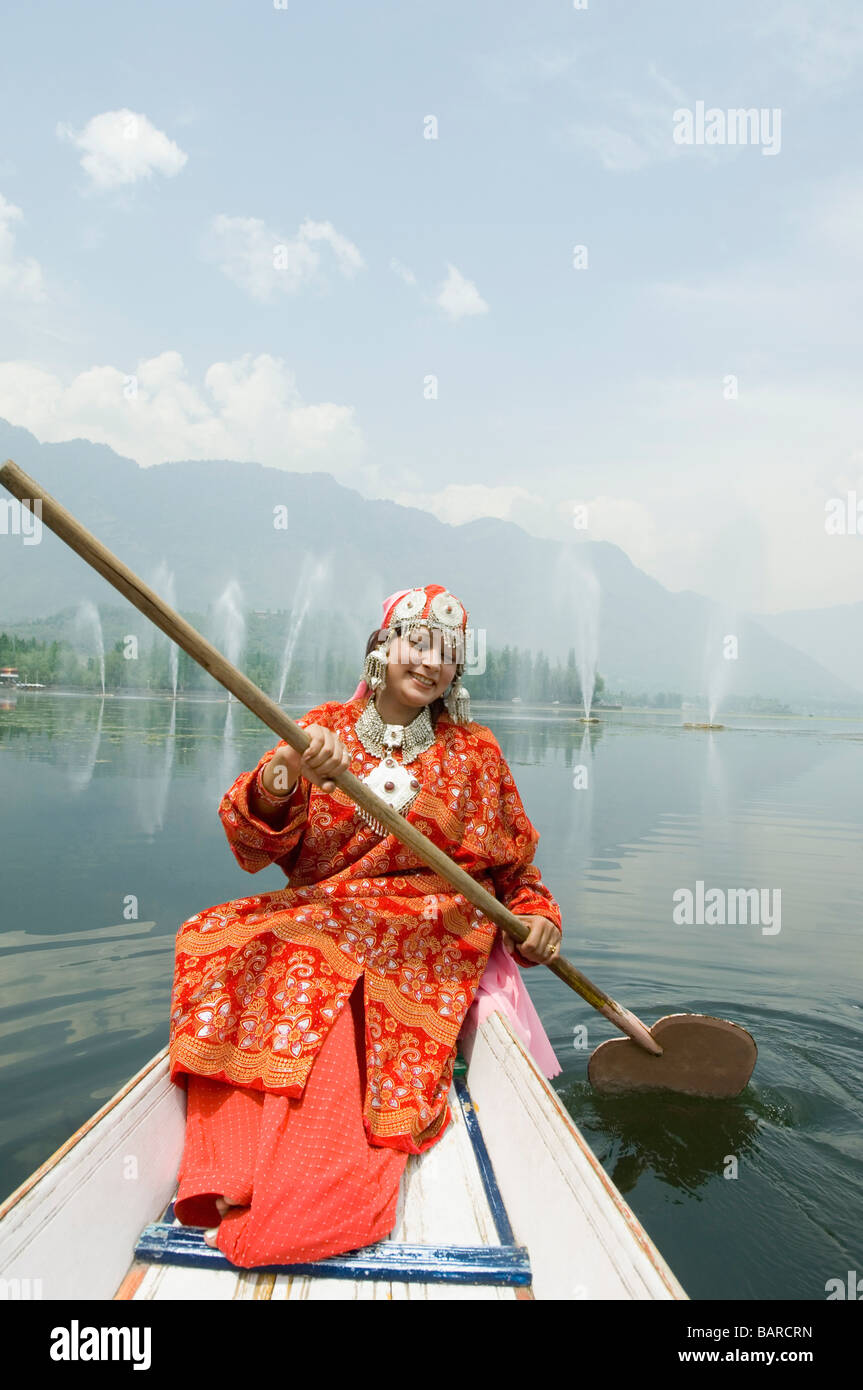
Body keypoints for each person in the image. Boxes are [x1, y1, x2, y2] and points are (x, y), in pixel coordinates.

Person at [168, 583, 563, 1267]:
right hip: (329, 907)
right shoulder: (323, 729)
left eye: (446, 653)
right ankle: (234, 1172)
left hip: (430, 924)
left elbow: (515, 872)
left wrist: (535, 919)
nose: (430, 661)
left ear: (455, 671)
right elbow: (253, 844)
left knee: (313, 956)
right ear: (380, 651)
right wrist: (288, 773)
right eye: (415, 641)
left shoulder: (474, 752)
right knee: (214, 936)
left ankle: (314, 1200)